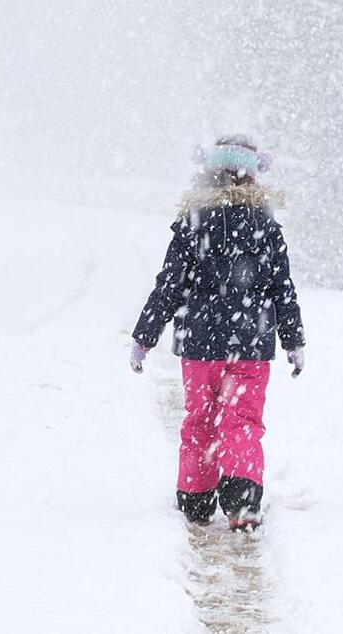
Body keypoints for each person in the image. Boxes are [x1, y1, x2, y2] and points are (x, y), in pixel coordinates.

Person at [129, 134, 305, 530]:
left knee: (201, 420)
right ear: (254, 177)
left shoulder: (194, 224)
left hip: (200, 344)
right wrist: (294, 341)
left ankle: (195, 498)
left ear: (208, 173)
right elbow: (283, 289)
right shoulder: (267, 227)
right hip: (250, 343)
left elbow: (169, 285)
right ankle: (242, 501)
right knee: (241, 420)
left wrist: (145, 336)